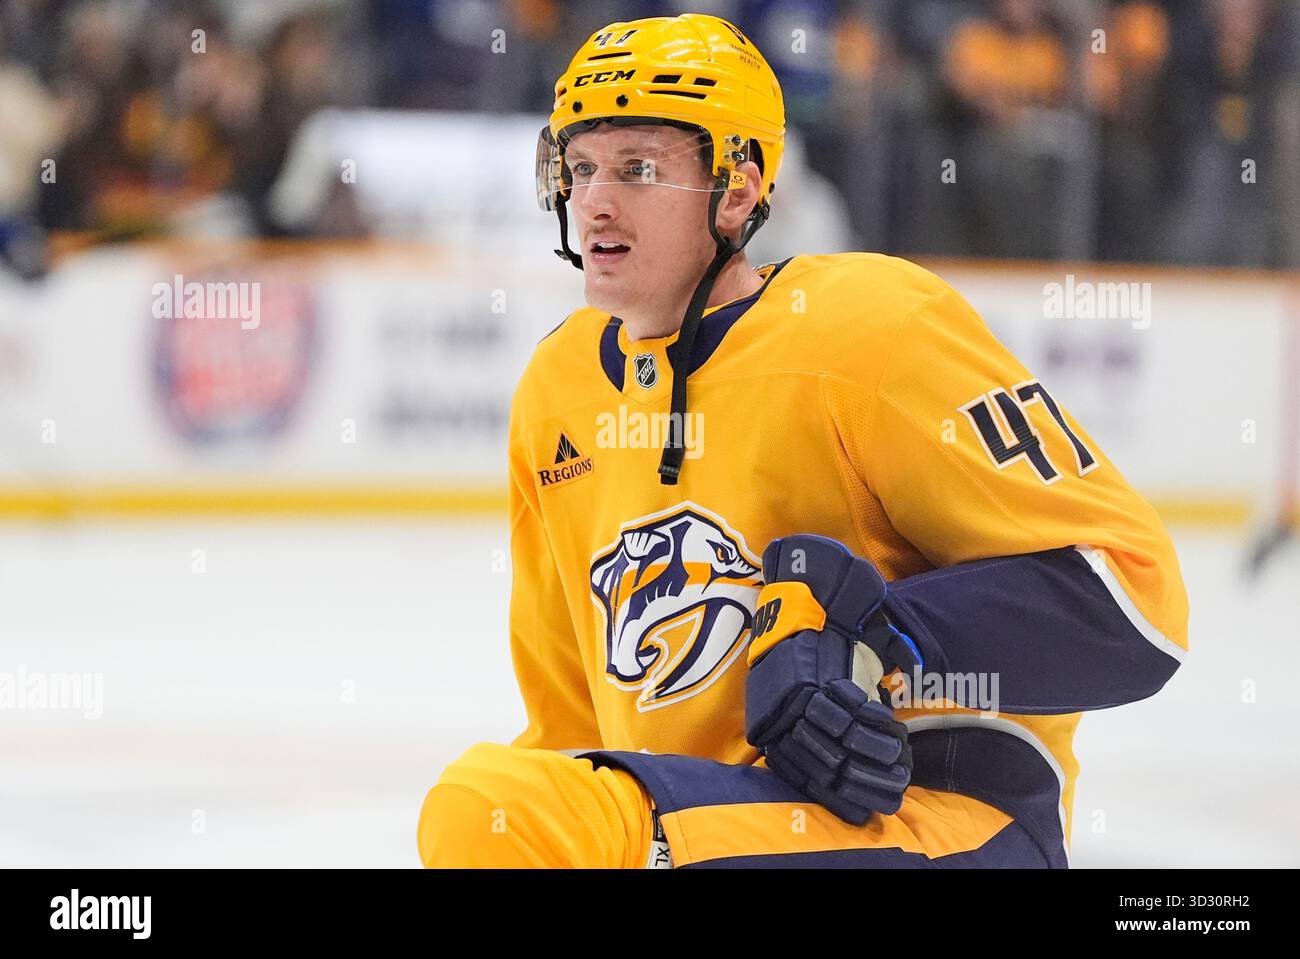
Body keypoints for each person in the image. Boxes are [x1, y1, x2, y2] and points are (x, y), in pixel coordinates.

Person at [417, 12, 1188, 869]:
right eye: (581, 166)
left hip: (936, 820)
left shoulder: (872, 328)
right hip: (713, 824)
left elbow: (1134, 607)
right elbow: (570, 732)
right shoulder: (556, 392)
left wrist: (873, 635)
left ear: (737, 191)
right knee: (493, 812)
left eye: (638, 168)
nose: (594, 199)